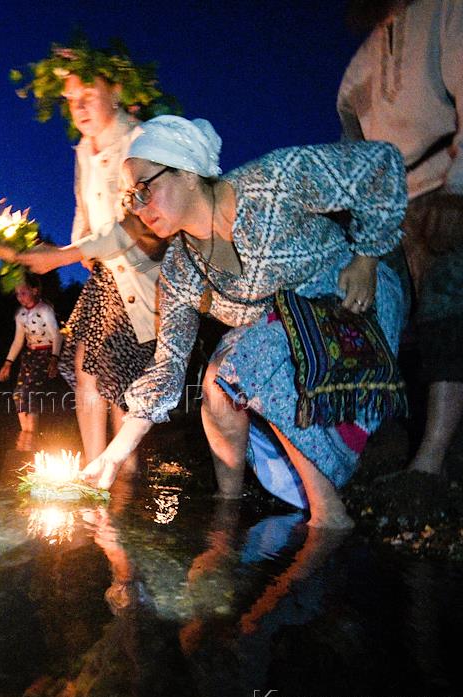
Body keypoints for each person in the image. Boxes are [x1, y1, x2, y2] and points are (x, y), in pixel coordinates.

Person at [81, 116, 409, 529]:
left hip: (350, 302)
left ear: (186, 172)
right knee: (215, 383)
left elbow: (381, 163)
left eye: (145, 188)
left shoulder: (272, 184)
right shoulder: (181, 269)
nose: (139, 207)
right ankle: (226, 510)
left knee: (246, 362)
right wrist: (113, 454)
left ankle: (330, 516)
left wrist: (366, 257)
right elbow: (168, 367)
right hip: (287, 335)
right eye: (130, 198)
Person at [337, 0, 463, 478]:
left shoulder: (458, 6)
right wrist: (361, 207)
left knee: (449, 305)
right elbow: (351, 135)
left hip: (450, 180)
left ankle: (430, 460)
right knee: (375, 315)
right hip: (391, 201)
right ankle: (361, 443)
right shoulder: (363, 59)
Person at [0, 41, 170, 469]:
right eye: (71, 100)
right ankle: (100, 470)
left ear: (118, 91)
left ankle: (122, 472)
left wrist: (66, 255)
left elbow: (136, 225)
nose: (78, 107)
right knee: (90, 371)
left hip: (145, 278)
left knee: (114, 378)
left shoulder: (140, 141)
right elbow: (82, 210)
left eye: (88, 96)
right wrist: (75, 243)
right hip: (103, 279)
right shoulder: (84, 152)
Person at [0, 278, 62, 434]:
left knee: (30, 391)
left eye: (23, 292)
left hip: (46, 352)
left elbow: (57, 335)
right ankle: (25, 431)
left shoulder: (44, 310)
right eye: (17, 294)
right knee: (18, 393)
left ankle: (31, 433)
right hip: (30, 354)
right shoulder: (20, 314)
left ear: (34, 291)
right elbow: (18, 340)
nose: (20, 296)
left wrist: (54, 359)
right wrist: (8, 363)